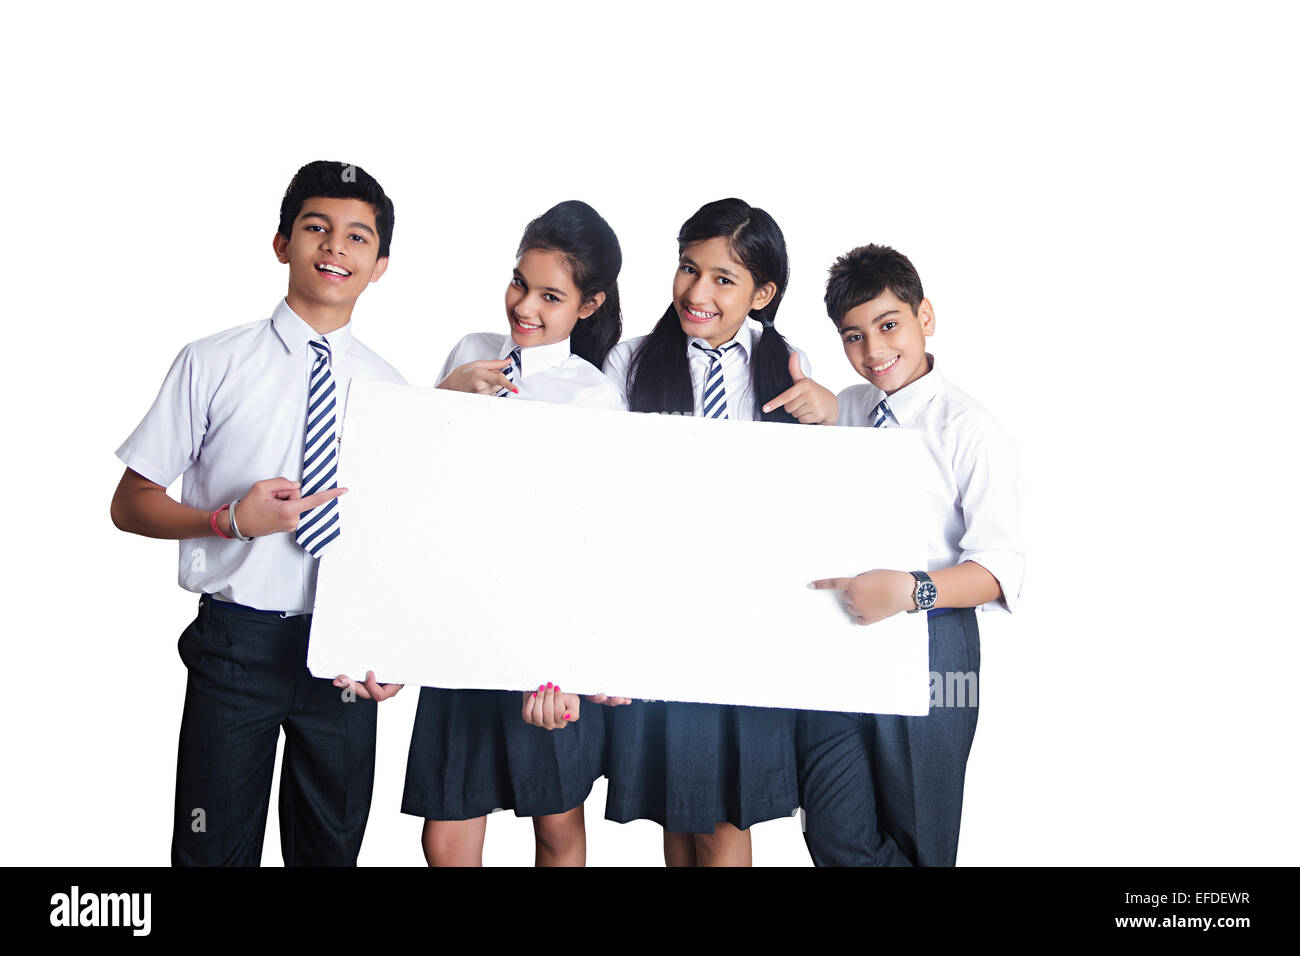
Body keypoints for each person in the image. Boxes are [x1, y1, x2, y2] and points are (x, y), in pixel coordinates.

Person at [110, 160, 405, 866]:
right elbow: (130, 503)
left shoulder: (390, 391)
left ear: (380, 264)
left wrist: (394, 647)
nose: (336, 247)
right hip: (235, 651)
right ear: (283, 243)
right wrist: (227, 522)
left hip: (341, 653)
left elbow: (395, 545)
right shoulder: (212, 362)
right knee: (212, 850)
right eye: (316, 228)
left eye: (357, 237)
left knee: (329, 853)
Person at [597, 197, 837, 866]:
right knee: (679, 814)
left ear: (763, 292)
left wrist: (829, 415)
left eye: (723, 279)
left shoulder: (789, 362)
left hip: (745, 617)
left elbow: (813, 496)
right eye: (687, 269)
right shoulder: (632, 361)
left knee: (722, 818)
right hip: (660, 610)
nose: (697, 292)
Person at [401, 200, 628, 867]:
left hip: (543, 633)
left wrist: (563, 662)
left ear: (588, 305)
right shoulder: (468, 355)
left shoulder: (593, 396)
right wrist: (444, 397)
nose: (525, 306)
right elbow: (411, 483)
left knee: (555, 825)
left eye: (550, 296)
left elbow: (592, 536)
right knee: (445, 833)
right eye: (519, 283)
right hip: (459, 618)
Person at [801, 243, 1024, 866]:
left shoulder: (968, 428)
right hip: (844, 639)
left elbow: (999, 566)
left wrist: (911, 589)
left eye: (888, 325)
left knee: (920, 827)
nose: (873, 350)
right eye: (853, 336)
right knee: (832, 828)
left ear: (925, 316)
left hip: (934, 638)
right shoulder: (848, 408)